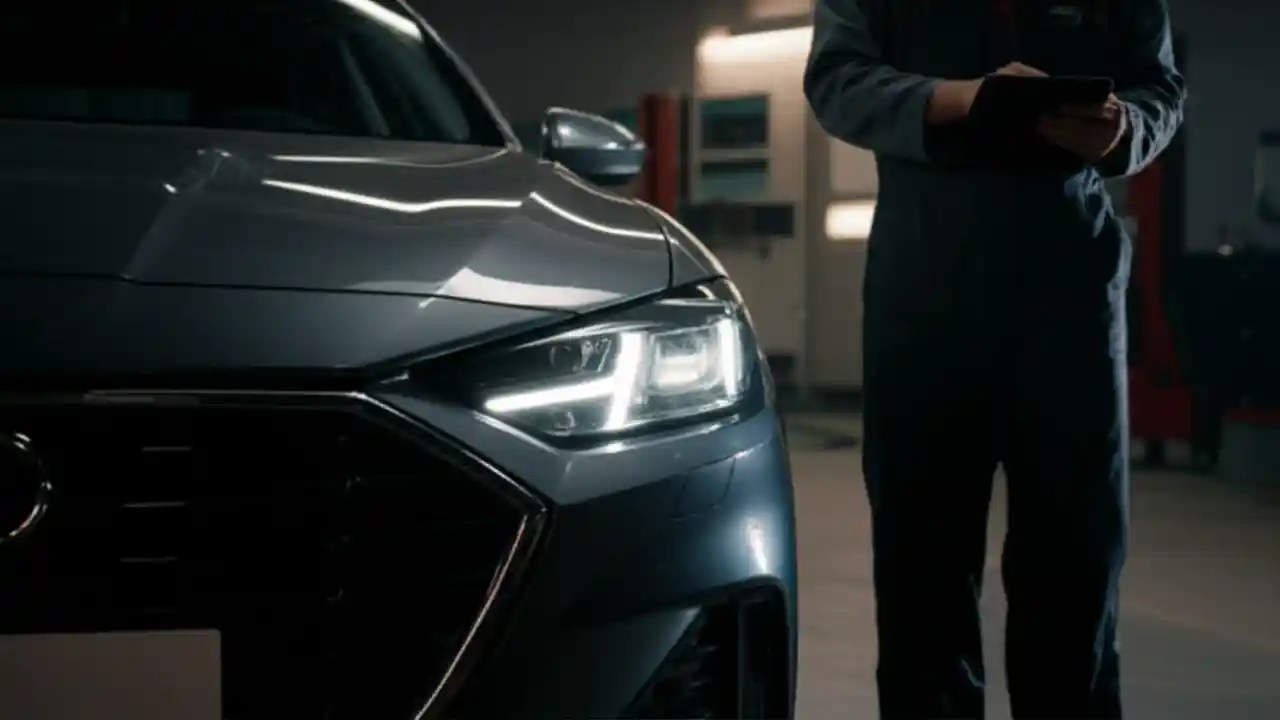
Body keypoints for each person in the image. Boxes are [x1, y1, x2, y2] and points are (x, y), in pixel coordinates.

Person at [804, 1, 1185, 718]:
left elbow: (1158, 86)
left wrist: (1124, 127)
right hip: (926, 290)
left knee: (1076, 575)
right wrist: (959, 99)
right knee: (924, 577)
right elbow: (836, 79)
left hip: (1068, 293)